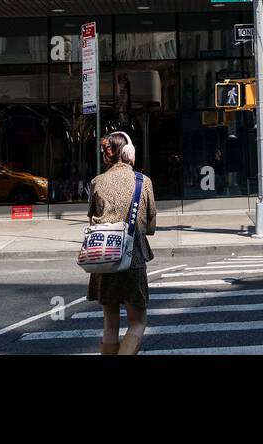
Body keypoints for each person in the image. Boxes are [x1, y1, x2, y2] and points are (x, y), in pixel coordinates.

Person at [87, 130, 157, 355]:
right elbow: (150, 225)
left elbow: (92, 218)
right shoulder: (143, 182)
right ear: (128, 152)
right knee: (137, 322)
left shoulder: (96, 182)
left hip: (103, 258)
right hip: (132, 259)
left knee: (110, 324)